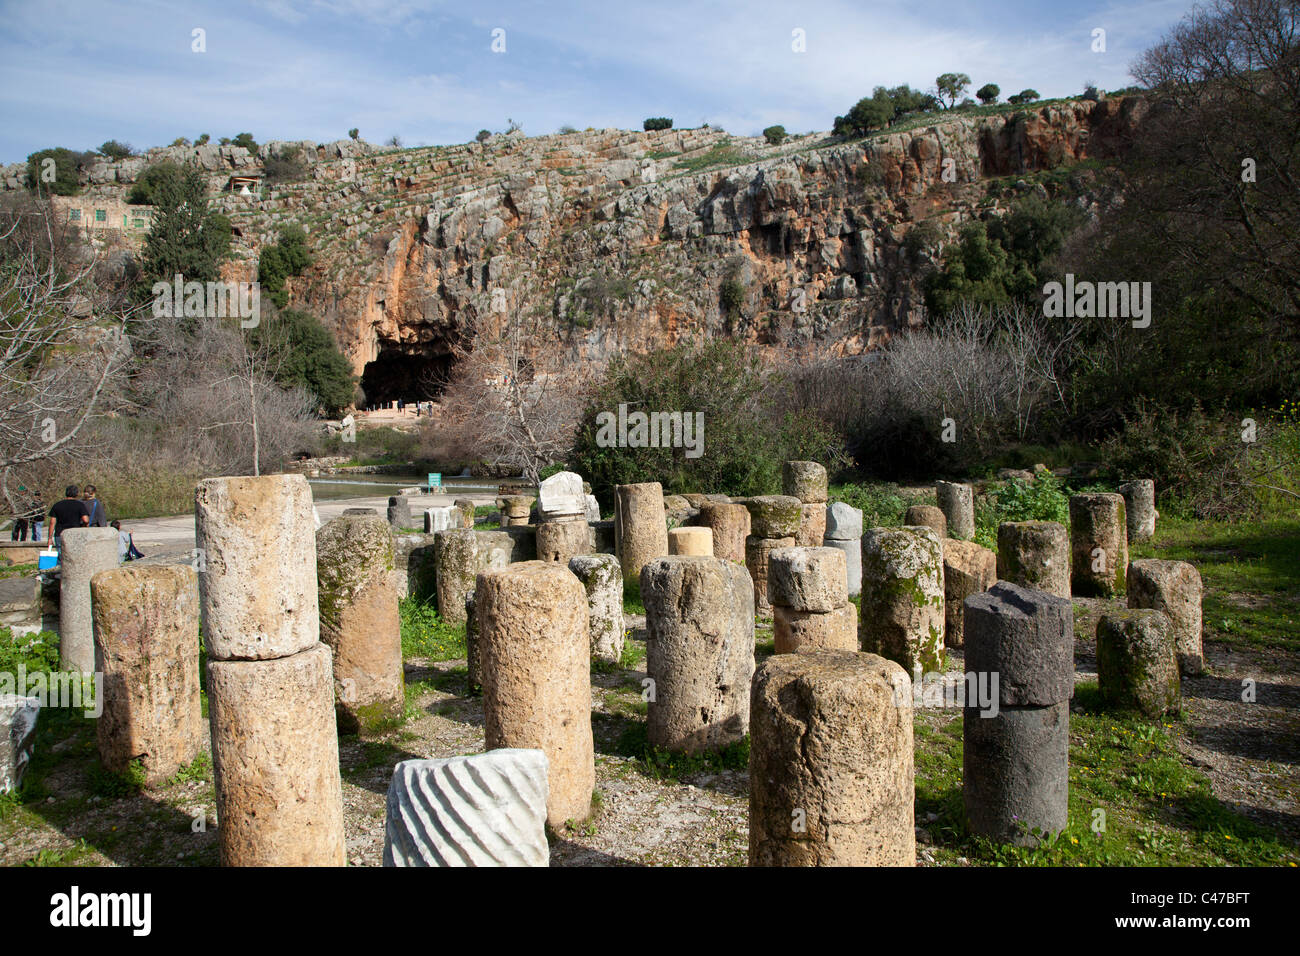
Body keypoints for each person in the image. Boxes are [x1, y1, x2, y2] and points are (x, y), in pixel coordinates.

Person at [49, 485, 89, 549]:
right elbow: (86, 520)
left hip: (60, 534)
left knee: (61, 555)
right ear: (76, 494)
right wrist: (85, 527)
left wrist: (50, 538)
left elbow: (52, 523)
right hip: (75, 533)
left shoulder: (57, 505)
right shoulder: (80, 505)